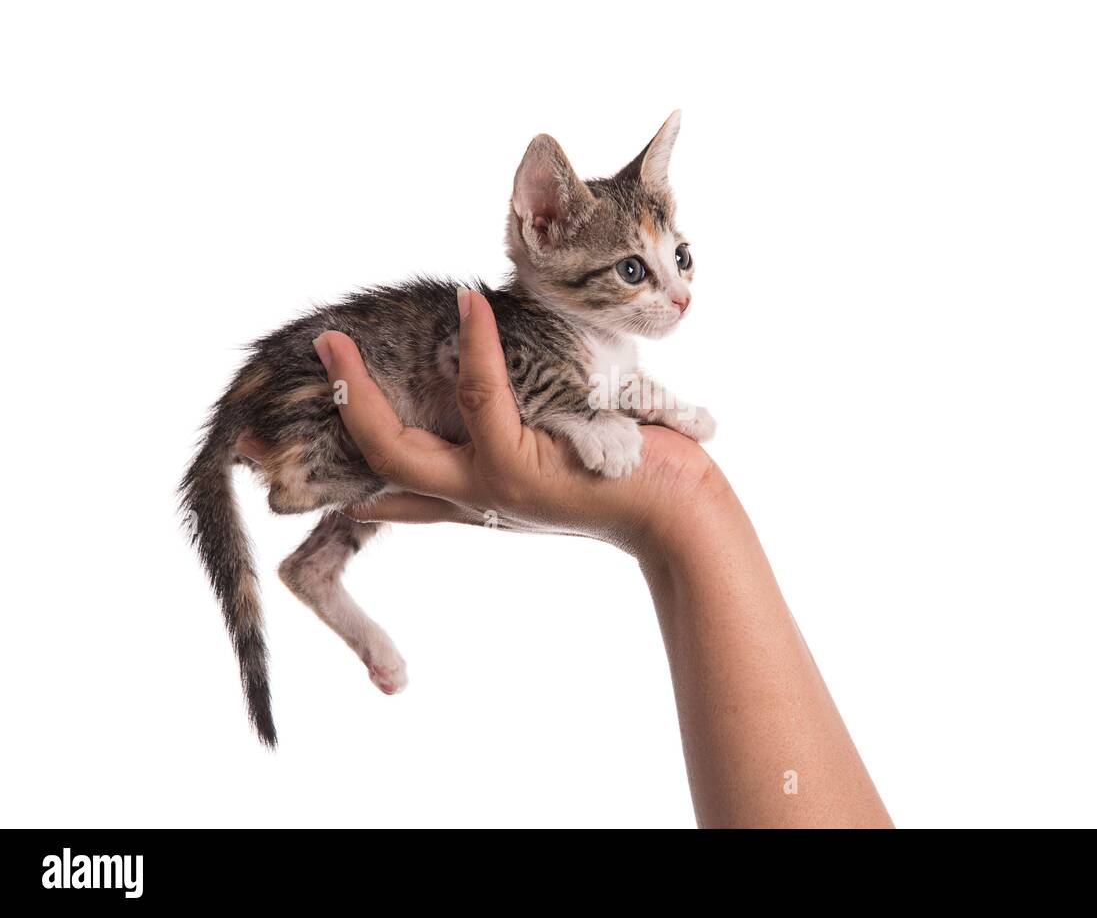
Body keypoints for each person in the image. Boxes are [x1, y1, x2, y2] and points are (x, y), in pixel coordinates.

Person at [300, 289, 892, 828]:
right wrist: (598, 425)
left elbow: (601, 394)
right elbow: (527, 381)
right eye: (636, 271)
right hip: (339, 390)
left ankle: (316, 554)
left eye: (680, 260)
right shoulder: (544, 327)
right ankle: (304, 485)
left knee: (380, 484)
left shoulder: (601, 344)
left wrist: (678, 481)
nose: (680, 296)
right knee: (369, 476)